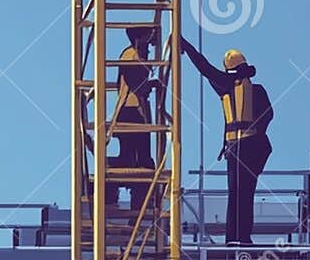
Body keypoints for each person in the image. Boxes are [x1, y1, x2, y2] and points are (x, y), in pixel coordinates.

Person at [178, 38, 274, 245]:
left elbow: (204, 67)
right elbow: (268, 115)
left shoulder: (225, 85)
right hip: (255, 147)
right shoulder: (258, 90)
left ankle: (234, 238)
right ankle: (243, 237)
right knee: (246, 193)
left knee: (236, 194)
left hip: (238, 148)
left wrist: (185, 46)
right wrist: (256, 133)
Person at [113, 27, 159, 211]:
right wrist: (152, 84)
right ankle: (136, 207)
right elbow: (136, 84)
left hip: (137, 112)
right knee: (138, 163)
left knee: (140, 162)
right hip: (130, 112)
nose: (150, 42)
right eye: (148, 38)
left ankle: (139, 209)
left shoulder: (138, 54)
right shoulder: (130, 55)